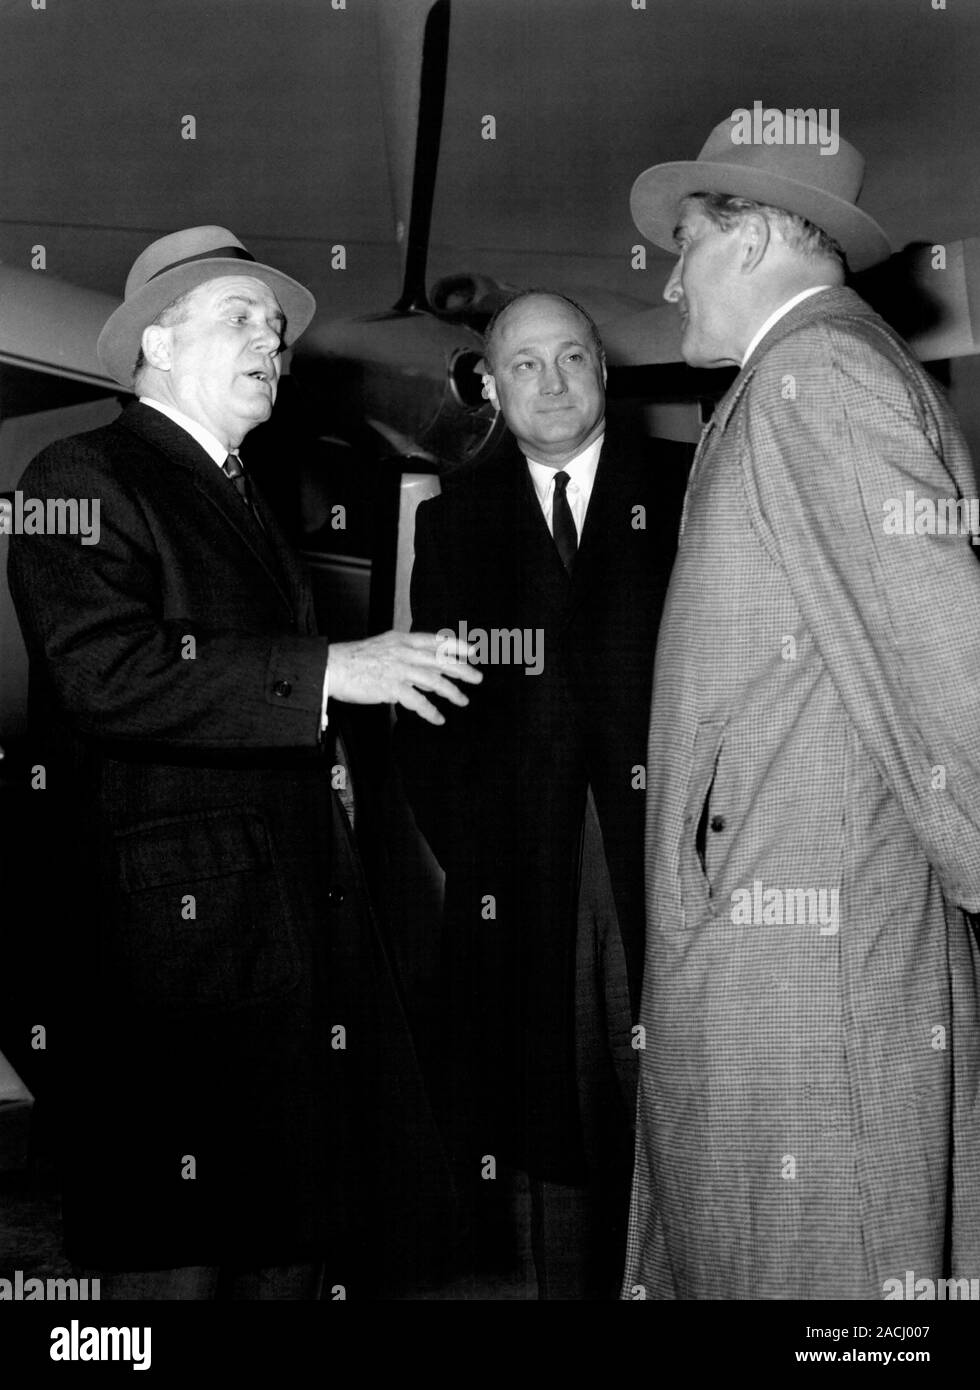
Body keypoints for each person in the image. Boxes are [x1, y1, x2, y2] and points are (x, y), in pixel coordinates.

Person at [7, 225, 480, 1299]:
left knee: (279, 1242)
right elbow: (104, 671)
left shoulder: (238, 488)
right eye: (240, 317)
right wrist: (327, 672)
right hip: (180, 956)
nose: (272, 340)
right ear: (159, 344)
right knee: (184, 1261)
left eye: (276, 328)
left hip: (267, 937)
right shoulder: (80, 470)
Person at [623, 114, 980, 1299]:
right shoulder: (793, 376)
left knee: (821, 1270)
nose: (667, 277)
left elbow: (947, 664)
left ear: (757, 236)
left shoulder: (817, 377)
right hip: (776, 920)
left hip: (809, 952)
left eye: (683, 244)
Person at [396, 291, 686, 1298]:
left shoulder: (690, 490)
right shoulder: (452, 525)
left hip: (678, 875)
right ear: (488, 385)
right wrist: (489, 860)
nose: (551, 382)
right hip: (527, 890)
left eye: (571, 357)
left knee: (686, 1119)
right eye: (524, 364)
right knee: (547, 1133)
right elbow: (427, 724)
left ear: (603, 371)